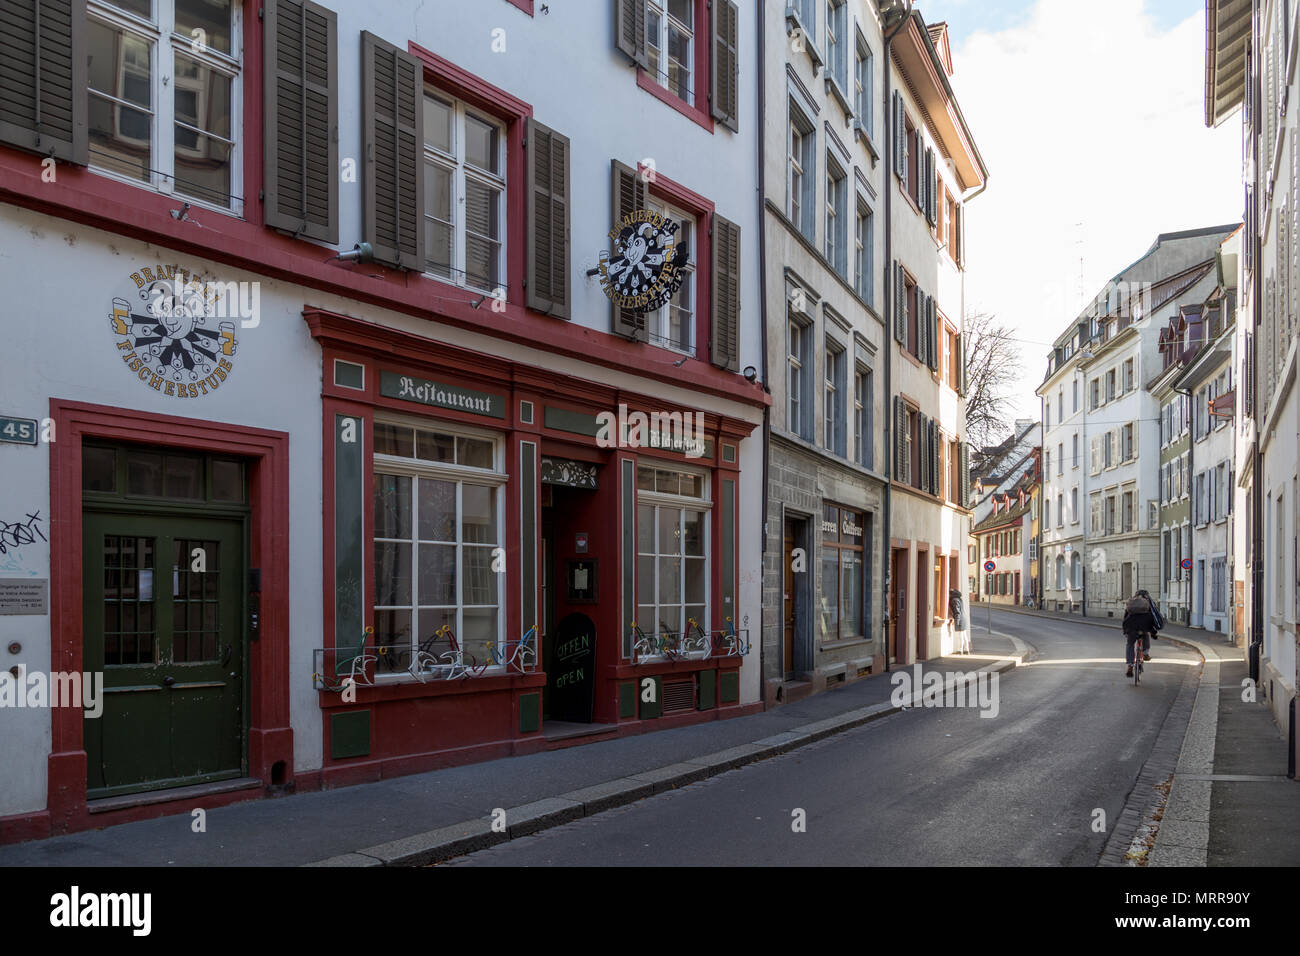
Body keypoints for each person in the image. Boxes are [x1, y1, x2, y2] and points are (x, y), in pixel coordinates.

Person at [1121, 589, 1162, 677]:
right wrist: (1154, 633)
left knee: (1130, 644)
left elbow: (1125, 618)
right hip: (1143, 627)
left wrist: (1125, 630)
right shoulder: (1148, 604)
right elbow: (1152, 620)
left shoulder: (1131, 603)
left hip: (1131, 627)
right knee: (1145, 635)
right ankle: (1145, 653)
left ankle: (1130, 666)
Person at [948, 588, 970, 655]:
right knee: (964, 635)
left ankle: (960, 650)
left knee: (960, 635)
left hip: (960, 619)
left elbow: (957, 612)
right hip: (963, 618)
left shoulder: (954, 600)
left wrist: (957, 621)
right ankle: (966, 650)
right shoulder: (959, 599)